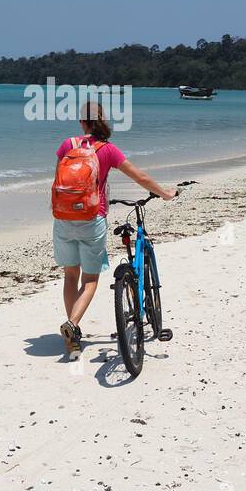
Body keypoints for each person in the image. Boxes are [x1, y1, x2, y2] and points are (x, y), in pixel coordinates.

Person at [53, 102, 176, 357]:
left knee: (70, 277)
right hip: (92, 219)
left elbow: (60, 180)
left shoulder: (68, 145)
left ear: (82, 122)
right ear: (103, 121)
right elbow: (139, 177)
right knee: (90, 280)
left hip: (63, 218)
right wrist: (164, 193)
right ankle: (72, 324)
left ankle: (72, 333)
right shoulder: (107, 149)